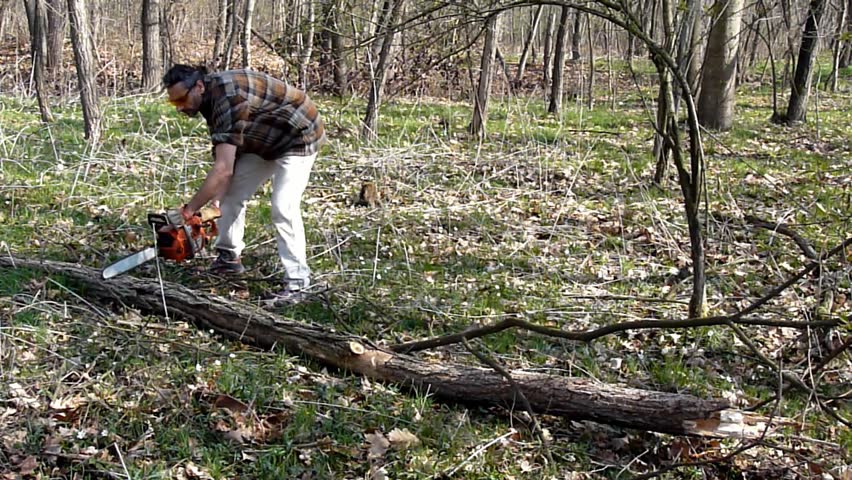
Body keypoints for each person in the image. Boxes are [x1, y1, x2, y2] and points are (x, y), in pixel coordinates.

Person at [162, 64, 325, 305]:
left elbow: (222, 169)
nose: (181, 108)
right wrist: (216, 198)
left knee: (283, 208)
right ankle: (228, 258)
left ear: (198, 86)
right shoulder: (209, 97)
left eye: (182, 100)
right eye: (174, 104)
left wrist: (188, 211)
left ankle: (298, 284)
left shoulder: (227, 97)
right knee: (230, 196)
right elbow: (226, 153)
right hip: (261, 140)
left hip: (298, 136)